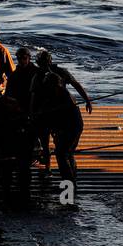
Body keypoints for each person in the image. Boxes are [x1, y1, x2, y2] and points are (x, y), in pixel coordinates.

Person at [30, 50, 92, 195]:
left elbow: (60, 116)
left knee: (62, 154)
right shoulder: (57, 92)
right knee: (68, 154)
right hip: (71, 126)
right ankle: (72, 184)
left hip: (69, 127)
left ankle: (68, 188)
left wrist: (55, 129)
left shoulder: (62, 97)